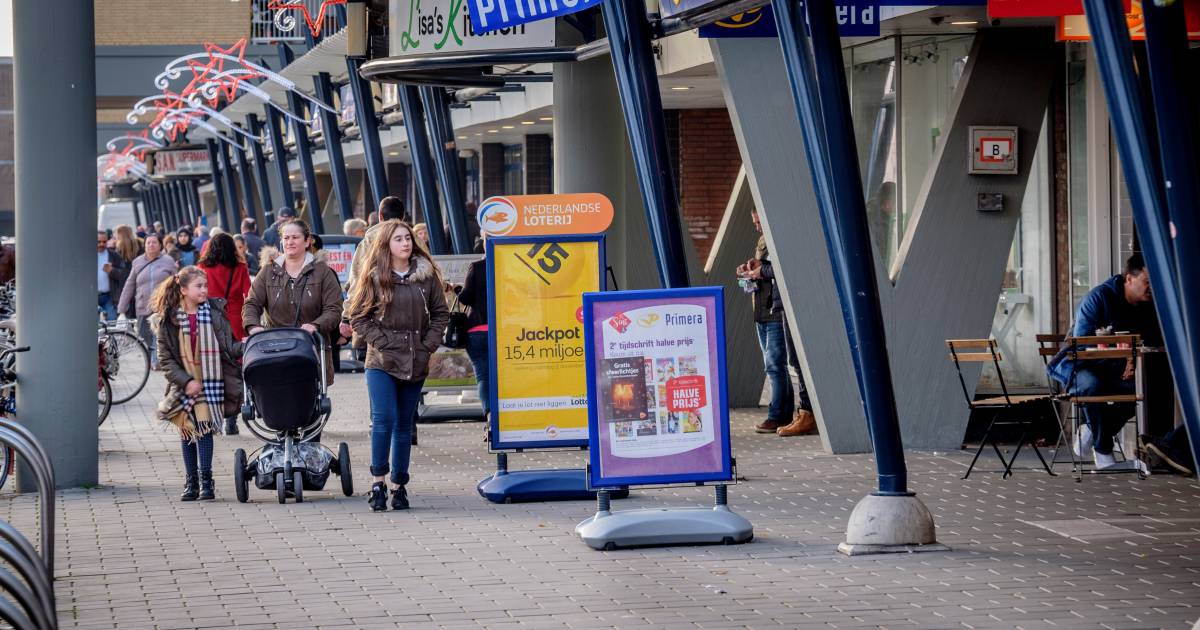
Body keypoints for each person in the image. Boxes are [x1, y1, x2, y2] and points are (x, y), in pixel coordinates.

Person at [348, 220, 449, 511]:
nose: (405, 243)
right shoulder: (374, 275)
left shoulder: (426, 276)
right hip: (381, 360)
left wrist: (427, 344)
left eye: (408, 238)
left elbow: (441, 313)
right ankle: (377, 482)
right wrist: (382, 341)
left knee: (405, 424)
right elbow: (357, 315)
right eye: (398, 239)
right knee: (384, 419)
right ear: (386, 245)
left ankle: (399, 485)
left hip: (415, 358)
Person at [1048, 253, 1159, 469]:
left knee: (1137, 389)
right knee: (1092, 385)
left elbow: (1149, 342)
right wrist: (1118, 355)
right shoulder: (1099, 298)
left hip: (1113, 369)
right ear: (1129, 278)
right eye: (1147, 282)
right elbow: (1081, 344)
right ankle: (1103, 451)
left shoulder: (1146, 308)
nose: (1151, 288)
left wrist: (1130, 359)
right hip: (1077, 365)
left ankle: (1092, 429)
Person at [151, 266, 244, 502]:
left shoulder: (214, 314)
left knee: (204, 431)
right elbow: (166, 359)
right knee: (186, 433)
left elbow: (228, 346)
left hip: (210, 384)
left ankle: (206, 482)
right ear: (183, 290)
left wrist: (246, 344)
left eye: (205, 286)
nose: (204, 290)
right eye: (198, 286)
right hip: (183, 386)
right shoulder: (169, 320)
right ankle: (190, 481)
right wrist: (186, 381)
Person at [736, 209, 816, 437]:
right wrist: (751, 268)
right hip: (764, 308)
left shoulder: (785, 238)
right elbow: (768, 267)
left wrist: (762, 271)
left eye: (760, 221)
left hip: (776, 308)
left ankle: (783, 414)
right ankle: (792, 413)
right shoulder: (764, 240)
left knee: (778, 364)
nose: (758, 226)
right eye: (755, 222)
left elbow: (783, 268)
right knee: (778, 364)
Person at [243, 219, 343, 388]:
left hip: (311, 351)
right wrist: (253, 326)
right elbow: (252, 303)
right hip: (275, 351)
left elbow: (334, 309)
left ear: (307, 241)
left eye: (295, 237)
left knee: (308, 406)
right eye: (286, 238)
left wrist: (316, 325)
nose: (289, 242)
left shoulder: (322, 272)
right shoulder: (268, 271)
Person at [199, 232, 252, 435]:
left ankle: (216, 419)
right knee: (234, 368)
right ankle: (232, 418)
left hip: (211, 322)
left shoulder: (203, 268)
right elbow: (249, 293)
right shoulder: (240, 268)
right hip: (235, 320)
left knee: (214, 370)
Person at [339, 196, 410, 343]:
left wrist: (346, 317)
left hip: (373, 318)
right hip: (410, 322)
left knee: (374, 361)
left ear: (380, 216)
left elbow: (356, 281)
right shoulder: (415, 242)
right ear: (403, 217)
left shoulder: (367, 244)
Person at [118, 234, 178, 368]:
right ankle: (155, 355)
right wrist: (122, 308)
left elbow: (176, 282)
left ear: (160, 245)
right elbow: (130, 284)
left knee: (159, 333)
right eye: (148, 243)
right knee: (144, 333)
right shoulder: (137, 262)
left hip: (162, 305)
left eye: (154, 243)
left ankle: (156, 360)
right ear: (144, 246)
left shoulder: (168, 261)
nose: (151, 245)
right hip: (142, 305)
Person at [457, 241, 489, 421]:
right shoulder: (511, 266)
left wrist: (457, 290)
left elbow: (466, 297)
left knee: (483, 375)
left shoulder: (477, 267)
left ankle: (490, 414)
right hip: (505, 330)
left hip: (477, 328)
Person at [98, 230, 129, 321]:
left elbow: (124, 275)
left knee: (112, 322)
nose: (101, 244)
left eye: (104, 242)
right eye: (99, 242)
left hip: (109, 297)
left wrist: (112, 271)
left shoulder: (114, 255)